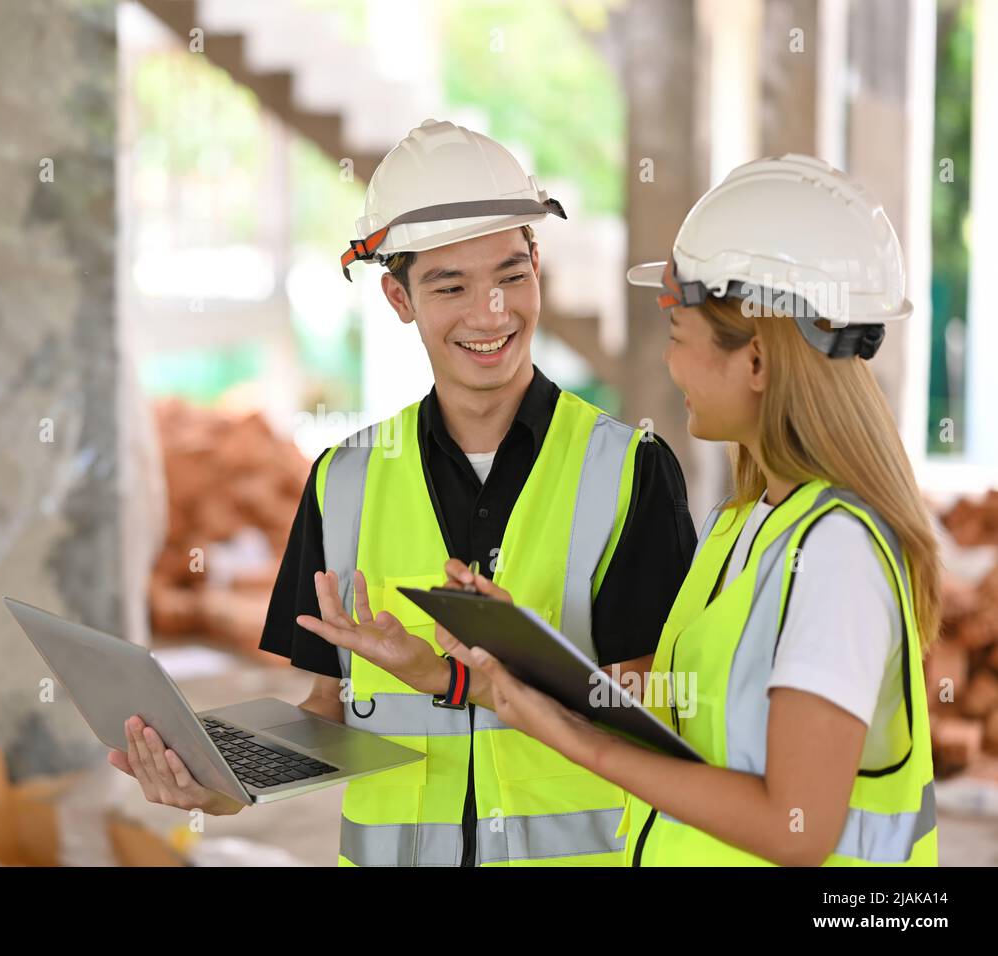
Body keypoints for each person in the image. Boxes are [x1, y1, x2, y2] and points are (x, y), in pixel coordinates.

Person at [109, 119, 697, 867]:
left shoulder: (628, 467)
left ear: (538, 264)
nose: (491, 313)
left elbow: (658, 705)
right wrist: (221, 783)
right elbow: (330, 709)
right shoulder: (343, 480)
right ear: (398, 296)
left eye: (512, 276)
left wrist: (473, 679)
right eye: (452, 286)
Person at [435, 154, 940, 866]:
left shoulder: (836, 555)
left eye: (678, 337)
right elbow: (686, 698)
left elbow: (794, 826)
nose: (668, 365)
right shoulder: (744, 523)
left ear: (758, 361)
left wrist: (583, 742)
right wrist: (522, 665)